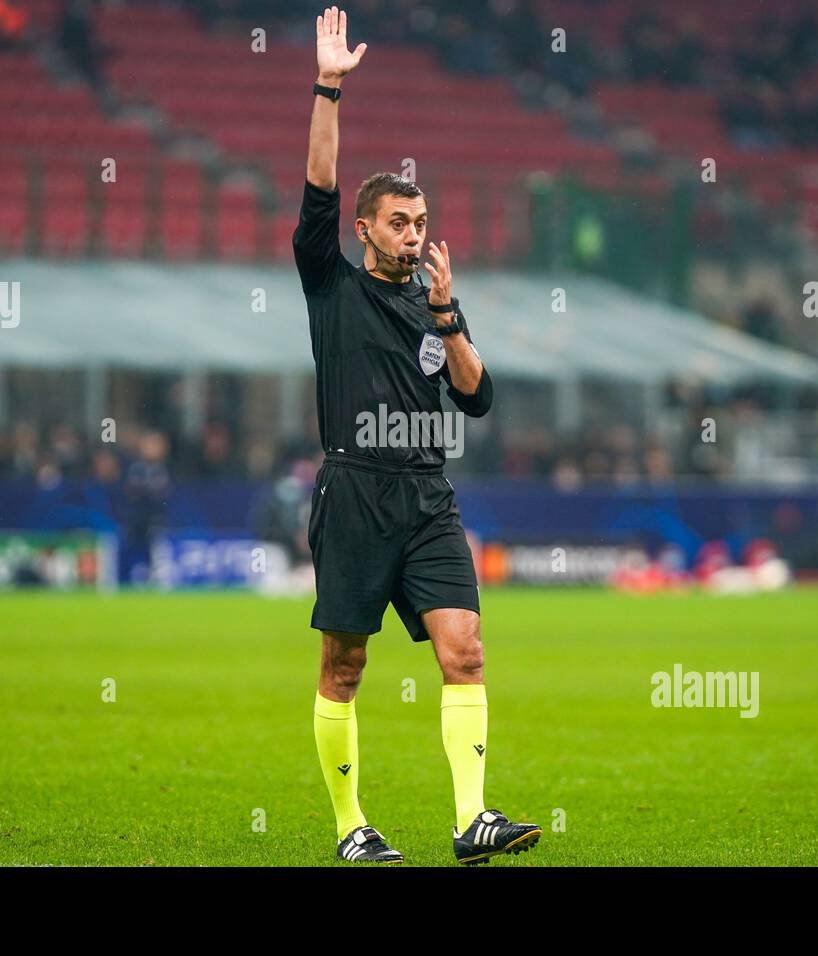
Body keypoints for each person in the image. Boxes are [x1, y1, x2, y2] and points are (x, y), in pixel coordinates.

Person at [294, 7, 539, 865]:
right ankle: (350, 827)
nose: (415, 233)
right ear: (366, 231)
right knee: (346, 668)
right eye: (399, 222)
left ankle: (472, 820)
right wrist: (329, 85)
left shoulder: (433, 301)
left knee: (464, 649)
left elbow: (477, 397)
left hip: (429, 492)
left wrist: (448, 313)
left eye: (421, 220)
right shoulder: (331, 283)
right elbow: (319, 187)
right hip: (356, 490)